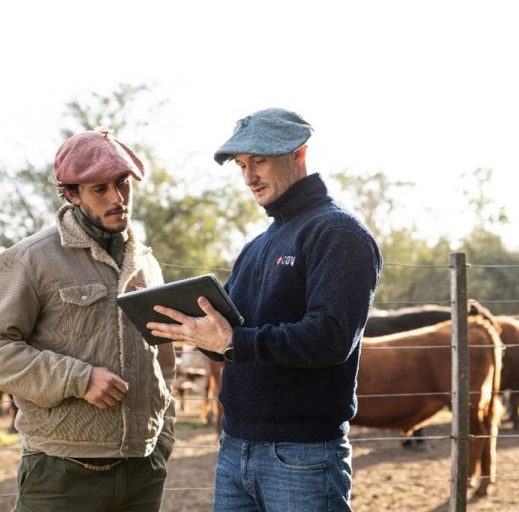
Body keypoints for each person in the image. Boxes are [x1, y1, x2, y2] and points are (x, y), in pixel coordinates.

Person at [147, 108, 382, 511]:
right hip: (234, 447)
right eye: (241, 165)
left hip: (302, 455)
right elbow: (227, 340)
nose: (248, 177)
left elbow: (329, 338)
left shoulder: (338, 233)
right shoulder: (256, 246)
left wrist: (233, 341)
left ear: (299, 154)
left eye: (259, 161)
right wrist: (193, 329)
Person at [0, 129, 176, 512]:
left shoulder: (146, 262)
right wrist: (78, 378)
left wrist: (163, 437)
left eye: (123, 183)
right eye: (100, 189)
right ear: (71, 194)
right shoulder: (30, 260)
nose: (117, 198)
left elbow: (163, 358)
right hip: (61, 475)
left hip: (143, 472)